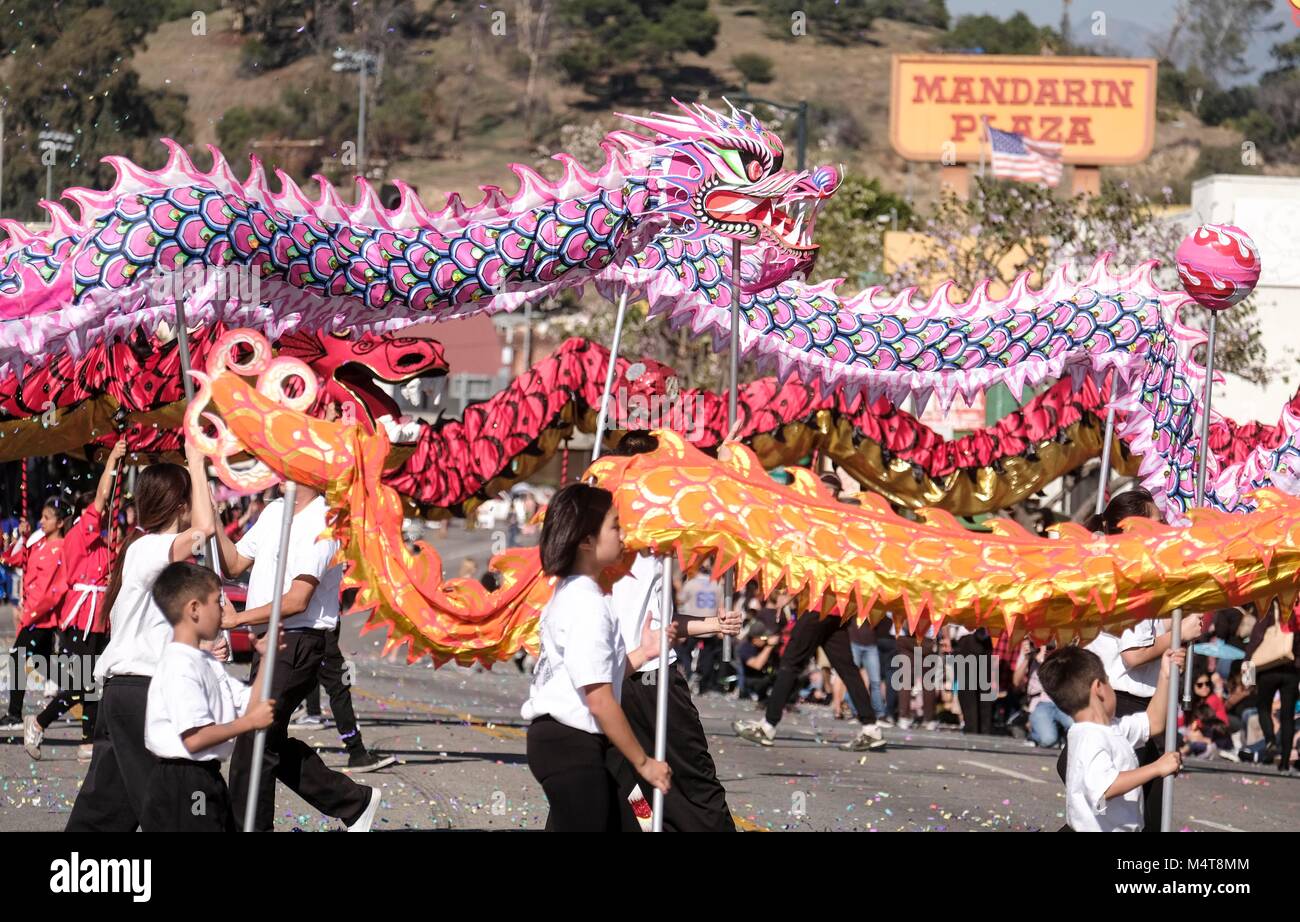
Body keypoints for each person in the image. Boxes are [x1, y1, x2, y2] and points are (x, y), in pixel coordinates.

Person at [66, 444, 219, 831]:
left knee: (104, 811)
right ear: (181, 505)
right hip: (142, 695)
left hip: (125, 693)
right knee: (171, 804)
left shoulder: (145, 554)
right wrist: (197, 465)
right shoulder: (151, 549)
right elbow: (204, 531)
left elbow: (155, 630)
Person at [217, 482, 380, 831]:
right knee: (266, 740)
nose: (275, 469)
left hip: (299, 641)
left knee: (255, 738)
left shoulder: (325, 521)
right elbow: (233, 564)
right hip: (269, 642)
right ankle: (354, 801)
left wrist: (238, 619)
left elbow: (297, 599)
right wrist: (211, 518)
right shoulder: (275, 511)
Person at [605, 432, 738, 832]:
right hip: (637, 681)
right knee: (681, 783)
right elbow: (714, 502)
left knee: (628, 782)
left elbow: (655, 619)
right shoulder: (631, 535)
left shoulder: (643, 538)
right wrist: (725, 464)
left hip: (627, 676)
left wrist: (711, 624)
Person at [522, 482, 672, 831]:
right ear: (586, 540)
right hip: (570, 744)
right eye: (615, 526)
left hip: (580, 746)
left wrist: (646, 651)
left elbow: (604, 675)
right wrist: (645, 762)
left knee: (634, 822)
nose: (623, 535)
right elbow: (600, 700)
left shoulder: (579, 594)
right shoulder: (585, 603)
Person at [1073, 487, 1200, 832]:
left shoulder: (1141, 571)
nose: (1165, 526)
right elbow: (1133, 654)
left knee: (1129, 810)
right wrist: (1179, 633)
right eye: (1157, 521)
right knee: (1124, 811)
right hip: (1127, 701)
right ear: (1134, 528)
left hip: (1139, 701)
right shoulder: (1131, 576)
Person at [733, 473, 887, 753]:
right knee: (846, 667)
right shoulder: (825, 520)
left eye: (829, 489)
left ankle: (768, 725)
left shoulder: (832, 522)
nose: (824, 493)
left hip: (823, 604)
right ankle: (870, 727)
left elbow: (821, 567)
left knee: (791, 662)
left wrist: (790, 596)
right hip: (834, 607)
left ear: (837, 493)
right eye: (822, 488)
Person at [141, 562, 276, 832]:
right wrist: (250, 724)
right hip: (183, 782)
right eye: (217, 602)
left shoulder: (206, 660)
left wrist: (266, 658)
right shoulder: (179, 664)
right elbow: (195, 739)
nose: (225, 610)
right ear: (193, 609)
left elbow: (251, 705)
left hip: (206, 777)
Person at [24, 441, 127, 762]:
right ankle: (38, 722)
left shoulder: (106, 545)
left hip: (100, 621)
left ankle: (88, 740)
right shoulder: (80, 533)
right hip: (79, 621)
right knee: (80, 683)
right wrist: (113, 459)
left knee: (96, 682)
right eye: (101, 511)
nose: (106, 515)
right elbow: (101, 499)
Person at [1039, 644, 1185, 832]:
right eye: (1108, 680)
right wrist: (1157, 768)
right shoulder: (1090, 738)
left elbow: (1153, 722)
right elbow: (1106, 787)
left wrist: (1165, 675)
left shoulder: (1110, 729)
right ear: (1099, 688)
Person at [3, 497, 67, 733]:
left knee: (17, 657)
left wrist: (28, 615)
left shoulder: (59, 549)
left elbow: (51, 591)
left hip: (40, 618)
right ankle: (80, 690)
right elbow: (14, 559)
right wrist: (23, 536)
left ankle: (14, 713)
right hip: (33, 616)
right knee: (44, 665)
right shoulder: (40, 544)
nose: (42, 521)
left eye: (47, 518)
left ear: (60, 523)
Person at [1245, 602, 1300, 774]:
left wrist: (1248, 676)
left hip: (1268, 667)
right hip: (1291, 668)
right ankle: (1284, 762)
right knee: (1287, 716)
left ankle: (1270, 740)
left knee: (1263, 706)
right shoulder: (1296, 613)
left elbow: (1256, 639)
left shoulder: (1270, 609)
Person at [1013, 637, 1071, 748]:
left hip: (1062, 701)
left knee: (1075, 724)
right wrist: (1027, 659)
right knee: (1048, 740)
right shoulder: (1031, 648)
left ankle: (1061, 735)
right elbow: (1016, 682)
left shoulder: (1063, 647)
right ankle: (1035, 734)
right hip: (1040, 702)